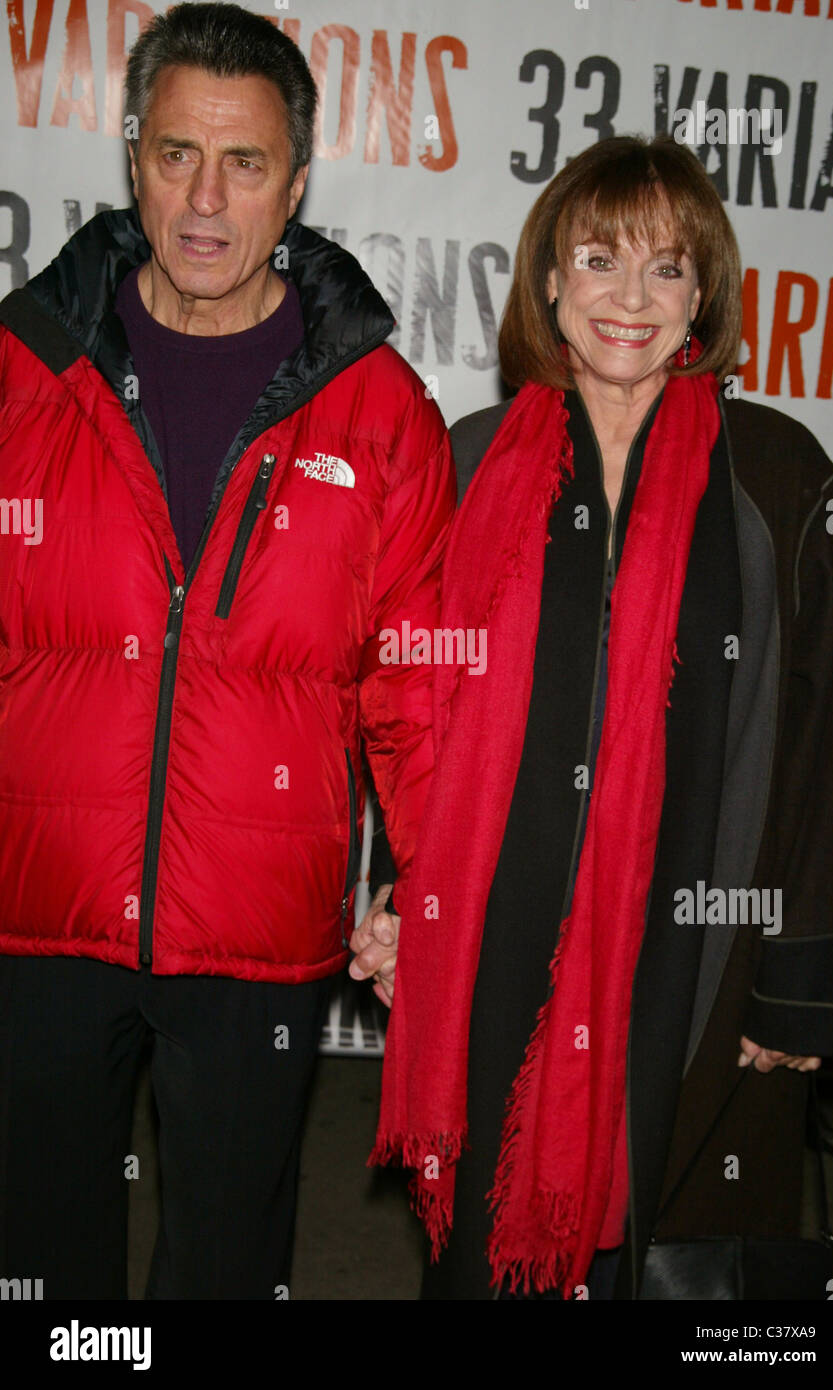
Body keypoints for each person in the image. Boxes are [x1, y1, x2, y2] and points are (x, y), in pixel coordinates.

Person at [355, 134, 833, 1300]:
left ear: (704, 294)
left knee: (678, 1260)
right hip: (501, 939)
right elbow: (414, 706)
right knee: (491, 1247)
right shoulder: (470, 462)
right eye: (597, 259)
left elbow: (827, 747)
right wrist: (405, 897)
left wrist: (796, 983)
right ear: (546, 279)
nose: (629, 299)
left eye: (666, 268)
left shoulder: (783, 480)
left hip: (702, 947)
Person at [0, 2, 454, 1299]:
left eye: (244, 162)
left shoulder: (377, 413)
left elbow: (414, 685)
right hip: (36, 916)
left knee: (227, 1253)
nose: (206, 198)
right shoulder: (20, 371)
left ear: (295, 182)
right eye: (175, 155)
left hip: (255, 932)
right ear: (132, 160)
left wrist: (428, 894)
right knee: (38, 1252)